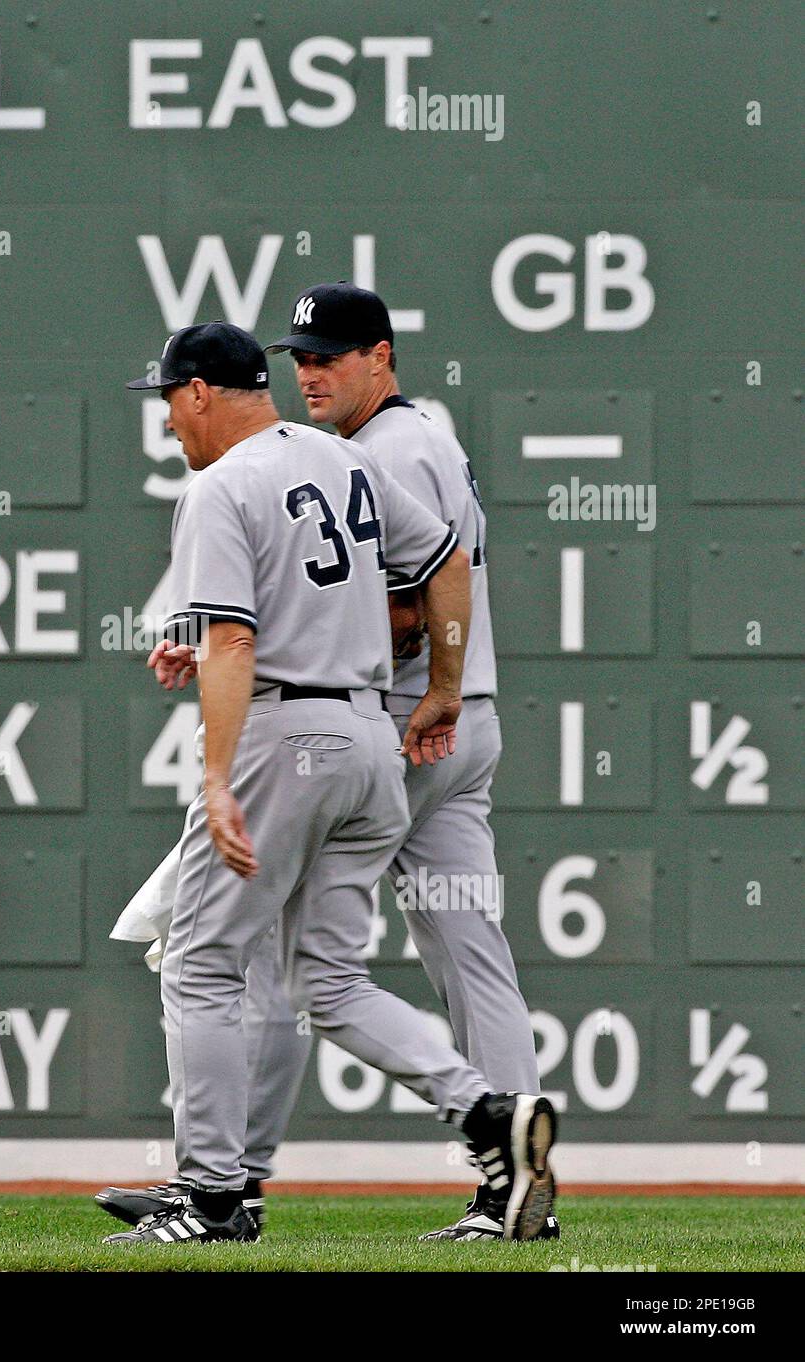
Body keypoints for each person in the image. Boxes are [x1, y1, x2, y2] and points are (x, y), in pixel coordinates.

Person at [100, 289, 552, 1243]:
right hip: (413, 728)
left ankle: (220, 1188)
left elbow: (341, 617)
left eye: (332, 357)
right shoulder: (351, 453)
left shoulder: (336, 456)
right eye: (302, 356)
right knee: (383, 971)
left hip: (357, 730)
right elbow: (443, 563)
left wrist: (224, 748)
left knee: (213, 958)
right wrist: (453, 682)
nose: (314, 371)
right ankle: (497, 1130)